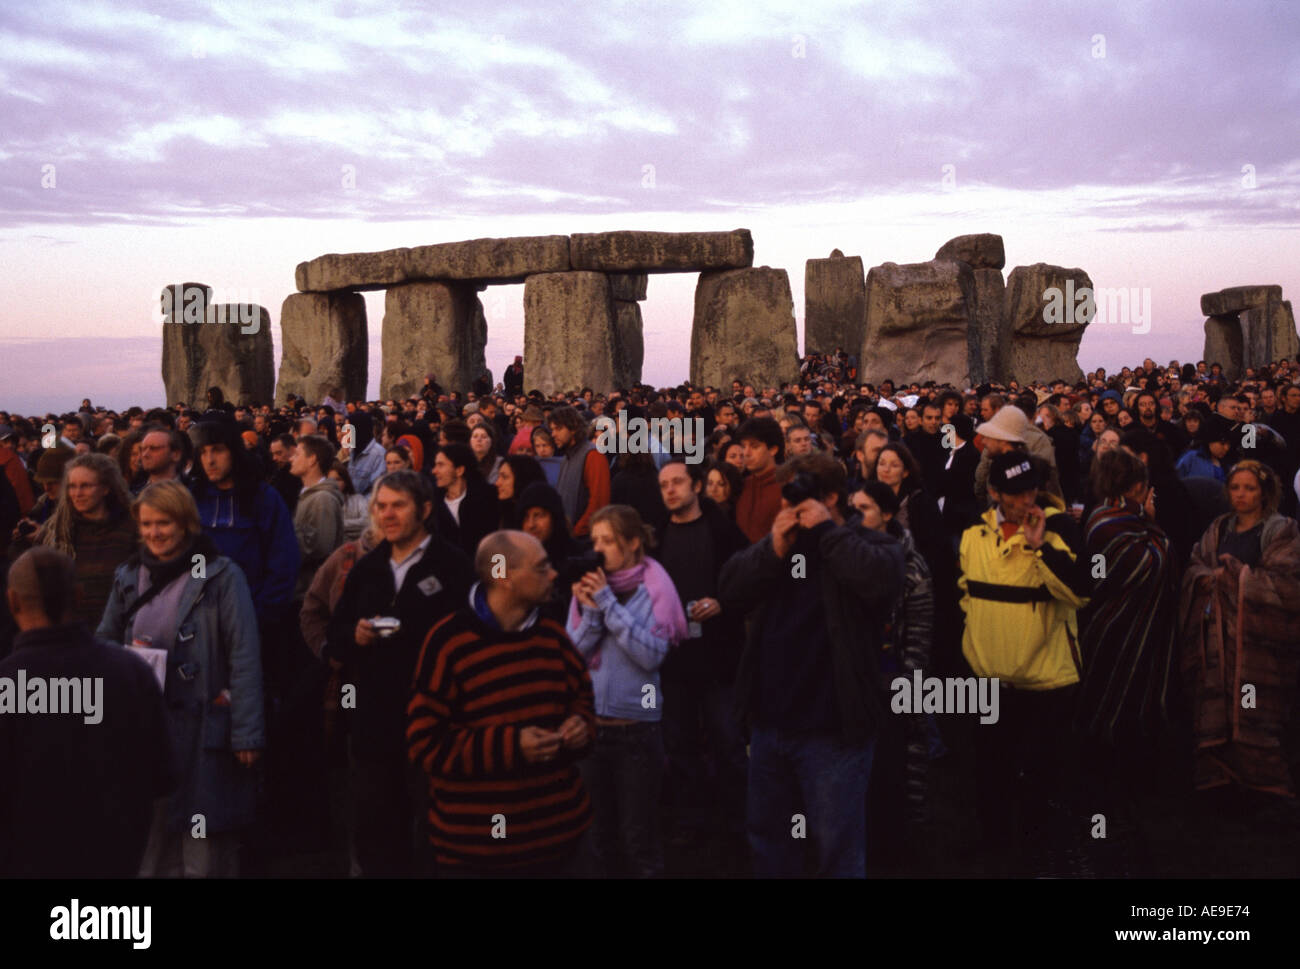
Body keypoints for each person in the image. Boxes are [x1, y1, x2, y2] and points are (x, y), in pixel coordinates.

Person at [719, 451, 904, 877]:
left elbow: (877, 579)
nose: (789, 506)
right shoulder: (784, 548)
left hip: (834, 729)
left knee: (835, 849)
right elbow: (730, 591)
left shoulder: (872, 544)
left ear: (832, 497)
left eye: (798, 496)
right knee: (769, 840)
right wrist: (773, 547)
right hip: (770, 725)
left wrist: (826, 531)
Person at [98, 481, 265, 877]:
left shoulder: (222, 576)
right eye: (148, 524)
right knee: (151, 841)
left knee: (203, 842)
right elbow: (103, 640)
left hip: (203, 725)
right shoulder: (128, 576)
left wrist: (247, 732)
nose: (155, 533)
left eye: (164, 523)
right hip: (146, 729)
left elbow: (244, 654)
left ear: (186, 524)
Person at [408, 530, 595, 876]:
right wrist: (511, 745)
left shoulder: (553, 635)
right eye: (541, 568)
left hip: (561, 842)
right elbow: (425, 743)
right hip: (480, 851)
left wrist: (580, 726)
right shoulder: (449, 644)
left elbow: (582, 699)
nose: (554, 574)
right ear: (502, 575)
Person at [323, 471, 472, 876]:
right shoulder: (367, 567)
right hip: (374, 722)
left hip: (435, 721)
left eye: (398, 505)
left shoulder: (454, 564)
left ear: (424, 510)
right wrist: (354, 635)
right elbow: (334, 633)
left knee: (433, 833)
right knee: (376, 831)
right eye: (381, 506)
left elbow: (470, 638)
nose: (387, 515)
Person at [0, 547, 174, 877]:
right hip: (112, 868)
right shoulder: (131, 674)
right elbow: (162, 776)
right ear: (79, 596)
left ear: (12, 602)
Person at [958, 450, 1090, 877]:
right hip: (989, 678)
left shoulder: (1061, 530)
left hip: (1045, 680)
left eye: (1031, 489)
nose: (1025, 499)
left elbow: (1081, 593)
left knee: (1041, 777)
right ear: (995, 492)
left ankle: (1040, 852)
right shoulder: (973, 536)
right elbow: (966, 595)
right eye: (1015, 492)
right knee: (988, 769)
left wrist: (1039, 549)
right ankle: (992, 839)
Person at [1074, 449, 1180, 876]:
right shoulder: (1110, 523)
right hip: (1115, 628)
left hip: (1132, 629)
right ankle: (1108, 787)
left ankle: (1120, 777)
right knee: (1110, 700)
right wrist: (1155, 525)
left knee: (1128, 699)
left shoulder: (1108, 517)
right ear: (1135, 487)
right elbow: (1152, 564)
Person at [567, 504, 686, 877]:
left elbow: (650, 655)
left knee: (638, 839)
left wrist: (605, 604)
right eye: (595, 540)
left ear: (634, 543)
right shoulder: (590, 587)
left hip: (636, 730)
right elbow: (571, 656)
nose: (598, 549)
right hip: (591, 729)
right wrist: (589, 613)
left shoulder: (655, 588)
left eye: (609, 541)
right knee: (594, 836)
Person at [1179, 460, 1300, 797]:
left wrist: (1238, 578)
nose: (1241, 495)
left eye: (1249, 488)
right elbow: (1194, 567)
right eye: (1235, 488)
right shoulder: (1218, 529)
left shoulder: (1281, 530)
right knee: (1217, 707)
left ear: (1264, 492)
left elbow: (1288, 585)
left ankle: (1261, 783)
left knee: (1254, 710)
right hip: (1217, 643)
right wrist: (1208, 579)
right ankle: (1219, 777)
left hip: (1258, 649)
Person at [654, 459, 750, 856]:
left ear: (696, 485)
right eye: (664, 485)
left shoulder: (723, 531)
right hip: (673, 660)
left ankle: (738, 823)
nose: (670, 490)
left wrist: (723, 604)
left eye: (678, 482)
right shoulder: (655, 535)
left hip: (717, 658)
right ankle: (691, 821)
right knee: (680, 745)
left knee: (728, 744)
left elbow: (749, 579)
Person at [849, 479, 934, 867]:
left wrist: (903, 689)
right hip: (854, 682)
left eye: (863, 509)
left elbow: (917, 640)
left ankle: (896, 849)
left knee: (893, 774)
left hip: (893, 684)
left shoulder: (911, 567)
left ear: (886, 514)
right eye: (852, 508)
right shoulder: (846, 555)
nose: (855, 518)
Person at [188, 421, 299, 629]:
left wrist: (260, 613)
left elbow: (283, 562)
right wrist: (198, 597)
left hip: (254, 618)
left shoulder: (264, 499)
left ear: (234, 452)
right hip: (205, 620)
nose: (209, 460)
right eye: (203, 452)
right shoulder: (196, 499)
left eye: (218, 451)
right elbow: (196, 555)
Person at [30, 453, 136, 628]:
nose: (77, 493)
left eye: (86, 486)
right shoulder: (58, 531)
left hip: (120, 629)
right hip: (70, 633)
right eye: (72, 486)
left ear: (105, 488)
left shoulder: (131, 529)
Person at [290, 434, 345, 601]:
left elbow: (319, 547)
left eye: (297, 454)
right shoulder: (308, 495)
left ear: (312, 459)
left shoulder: (322, 499)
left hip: (310, 592)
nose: (292, 458)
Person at [547, 407, 610, 537]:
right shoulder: (566, 458)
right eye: (552, 429)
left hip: (584, 540)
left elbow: (599, 503)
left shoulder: (593, 455)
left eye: (558, 429)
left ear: (573, 428)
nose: (553, 434)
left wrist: (576, 532)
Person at [432, 442, 499, 558]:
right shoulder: (433, 504)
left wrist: (498, 574)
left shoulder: (488, 499)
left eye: (441, 465)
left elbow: (498, 546)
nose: (434, 471)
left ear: (459, 470)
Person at [732, 416, 784, 543]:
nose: (746, 453)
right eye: (743, 446)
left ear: (773, 449)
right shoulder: (742, 485)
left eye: (754, 447)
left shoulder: (788, 487)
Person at [494, 454, 545, 529]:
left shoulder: (541, 516)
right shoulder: (503, 512)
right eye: (499, 477)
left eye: (504, 477)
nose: (497, 483)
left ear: (521, 479)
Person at [327, 461, 371, 543]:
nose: (334, 484)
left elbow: (367, 521)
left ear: (345, 482)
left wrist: (337, 525)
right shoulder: (322, 503)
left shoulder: (358, 499)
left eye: (338, 479)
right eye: (330, 480)